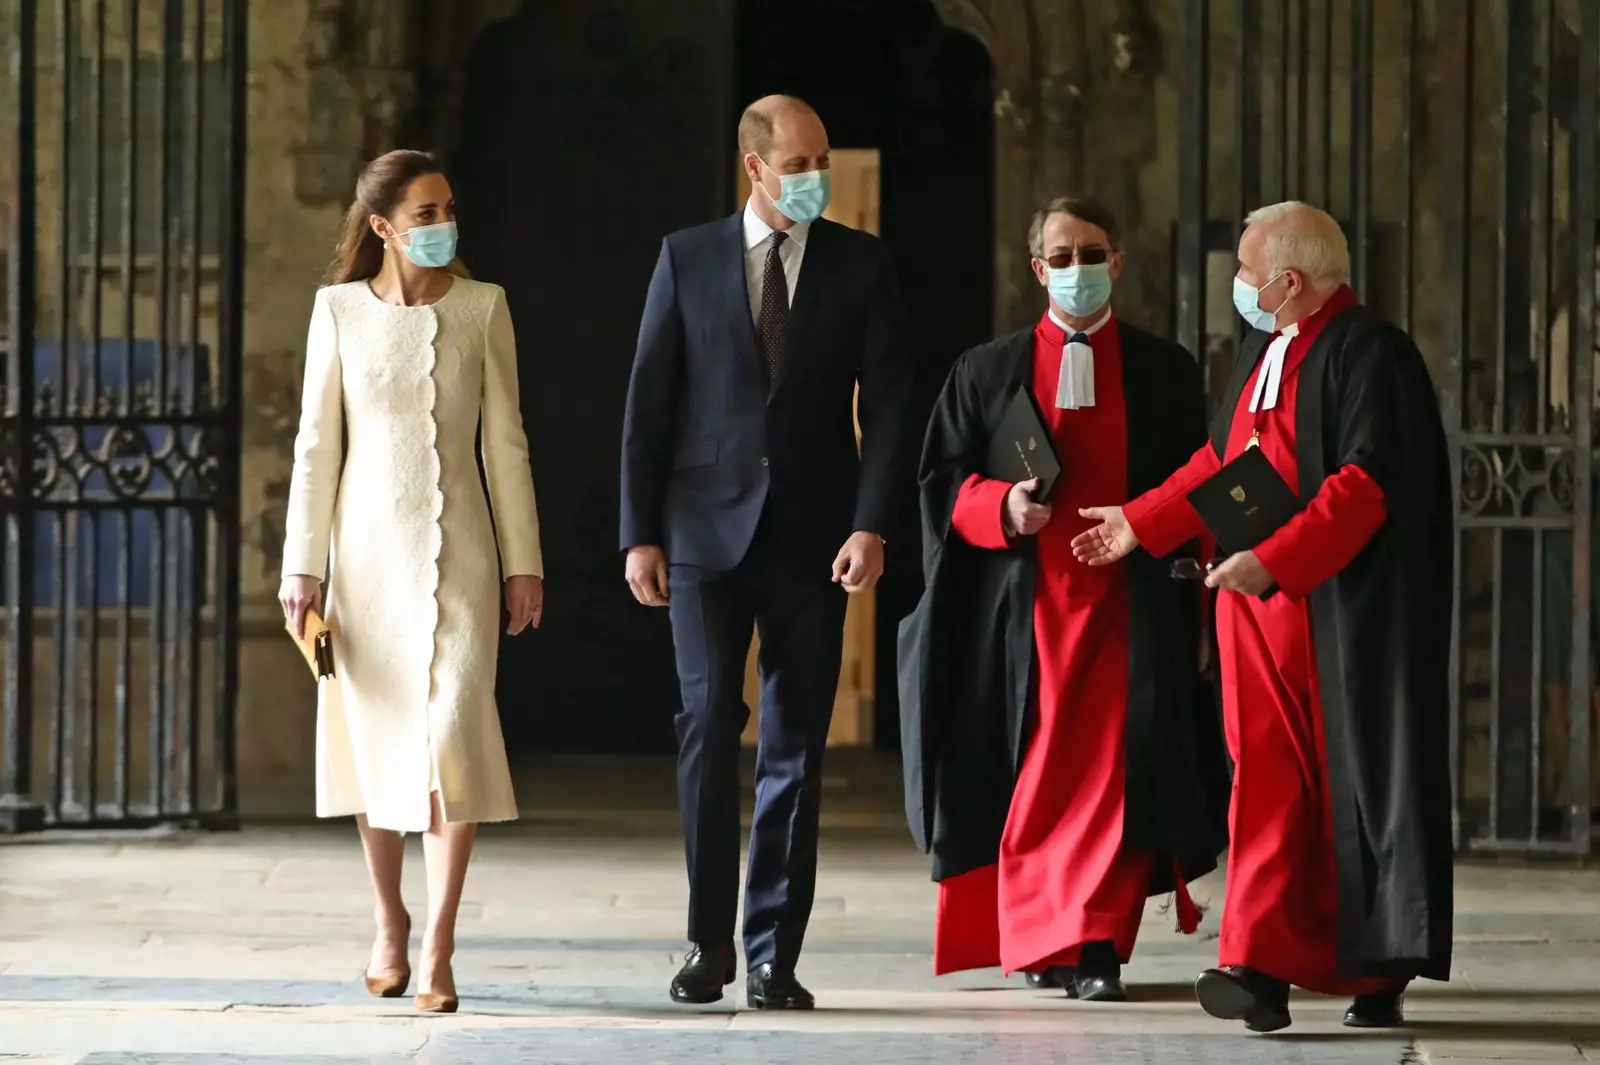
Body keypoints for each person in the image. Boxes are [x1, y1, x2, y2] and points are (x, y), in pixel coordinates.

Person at [1072, 201, 1454, 1033]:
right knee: (1266, 791)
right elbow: (1224, 464)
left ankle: (1371, 970)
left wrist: (1276, 560)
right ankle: (1257, 965)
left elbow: (1365, 486)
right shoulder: (1265, 351)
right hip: (1255, 615)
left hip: (1334, 623)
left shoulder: (1369, 353)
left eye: (1246, 273)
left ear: (1288, 281)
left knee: (1347, 795)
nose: (1238, 287)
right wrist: (1140, 521)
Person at [619, 95, 912, 1010]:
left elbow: (896, 404)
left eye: (822, 157)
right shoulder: (687, 255)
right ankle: (710, 944)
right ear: (756, 167)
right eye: (801, 161)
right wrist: (640, 532)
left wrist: (872, 523)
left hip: (817, 538)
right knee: (709, 729)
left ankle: (775, 952)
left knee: (795, 746)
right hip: (703, 533)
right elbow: (649, 402)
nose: (817, 174)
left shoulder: (862, 263)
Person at [897, 197, 1229, 1002]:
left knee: (1112, 776)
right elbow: (940, 482)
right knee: (1035, 774)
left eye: (1092, 252)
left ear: (1117, 262)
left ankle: (1093, 946)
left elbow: (1206, 478)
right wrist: (999, 508)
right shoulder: (984, 370)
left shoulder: (1165, 370)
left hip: (1131, 609)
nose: (1076, 267)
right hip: (1020, 615)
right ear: (1037, 268)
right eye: (1061, 254)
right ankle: (1048, 938)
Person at [278, 149, 544, 1015]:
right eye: (424, 213)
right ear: (384, 228)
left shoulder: (484, 308)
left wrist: (523, 561)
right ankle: (388, 920)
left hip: (463, 558)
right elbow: (317, 447)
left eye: (447, 208)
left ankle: (439, 942)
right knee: (376, 742)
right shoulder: (338, 312)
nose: (442, 224)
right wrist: (301, 566)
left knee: (453, 738)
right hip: (363, 564)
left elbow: (506, 443)